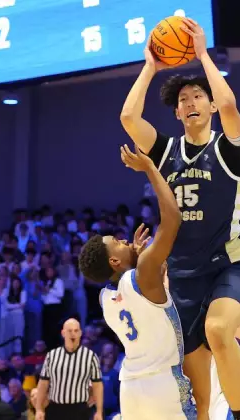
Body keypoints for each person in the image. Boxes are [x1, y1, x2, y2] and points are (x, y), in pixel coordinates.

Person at [120, 16, 240, 420]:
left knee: (219, 331)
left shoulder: (231, 148)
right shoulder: (165, 151)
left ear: (210, 105)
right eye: (183, 100)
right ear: (177, 113)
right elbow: (128, 118)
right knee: (198, 381)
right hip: (181, 276)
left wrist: (201, 55)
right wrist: (150, 68)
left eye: (198, 96)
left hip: (227, 265)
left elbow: (230, 103)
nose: (190, 103)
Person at [78, 143, 192, 420]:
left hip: (130, 387)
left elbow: (146, 287)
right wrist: (151, 169)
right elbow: (173, 218)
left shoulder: (105, 298)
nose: (124, 239)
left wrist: (144, 260)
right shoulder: (142, 274)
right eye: (117, 242)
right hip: (163, 384)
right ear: (114, 262)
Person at [34, 319, 103, 420]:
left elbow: (97, 385)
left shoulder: (90, 356)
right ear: (63, 333)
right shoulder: (52, 355)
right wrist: (39, 409)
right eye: (69, 331)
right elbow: (43, 383)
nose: (73, 334)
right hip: (55, 408)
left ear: (80, 333)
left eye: (76, 331)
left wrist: (99, 411)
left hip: (80, 410)